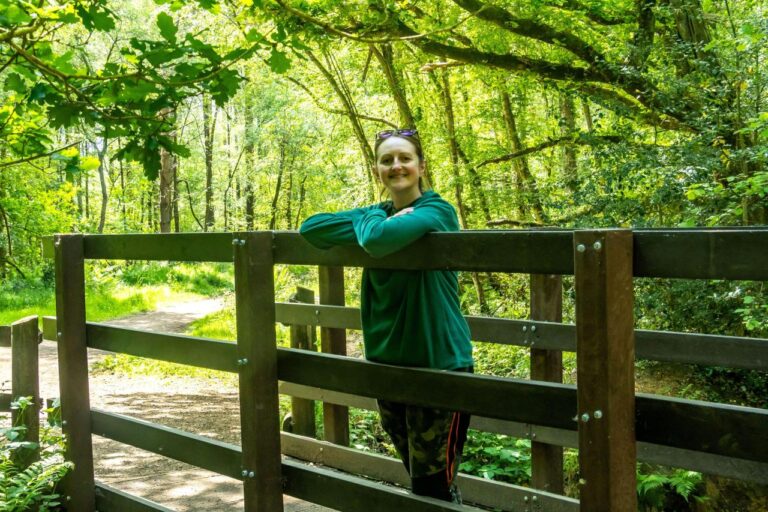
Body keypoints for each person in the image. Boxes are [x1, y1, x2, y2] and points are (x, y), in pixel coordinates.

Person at [299, 128, 473, 503]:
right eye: (387, 160)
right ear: (377, 168)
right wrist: (375, 217)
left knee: (433, 485)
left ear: (421, 166)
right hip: (388, 365)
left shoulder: (437, 210)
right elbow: (311, 228)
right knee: (417, 475)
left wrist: (369, 227)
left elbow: (377, 242)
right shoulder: (378, 216)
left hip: (438, 364)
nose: (397, 166)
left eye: (405, 158)